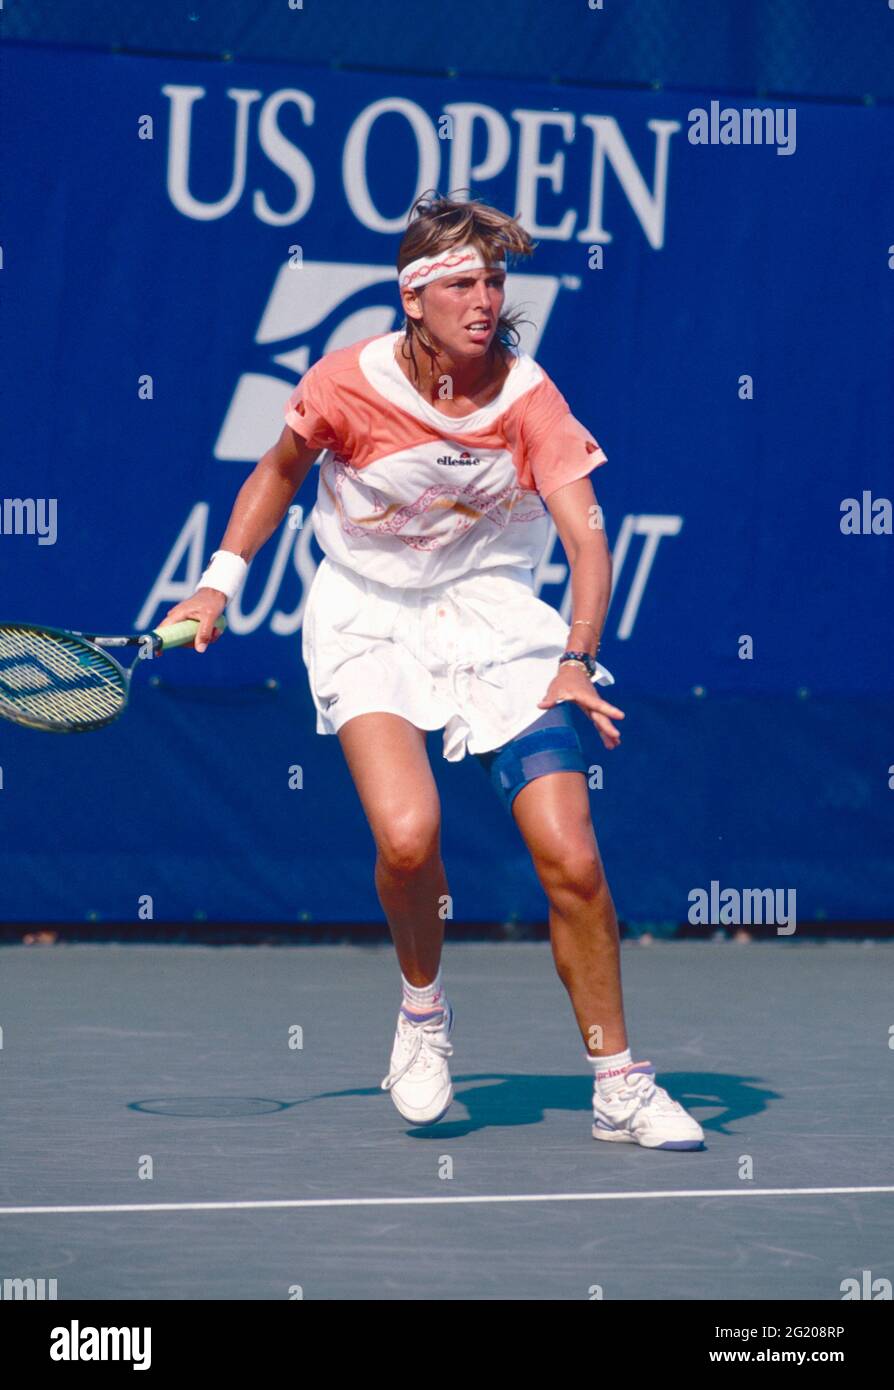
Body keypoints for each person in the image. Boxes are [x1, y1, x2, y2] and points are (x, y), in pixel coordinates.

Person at [159, 191, 704, 1151]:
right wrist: (217, 587)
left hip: (496, 625)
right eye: (462, 282)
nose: (485, 297)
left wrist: (576, 658)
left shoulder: (531, 399)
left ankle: (618, 1083)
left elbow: (586, 537)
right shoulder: (346, 382)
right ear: (414, 297)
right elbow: (278, 474)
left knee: (573, 858)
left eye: (494, 280)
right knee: (409, 839)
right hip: (368, 618)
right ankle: (422, 1014)